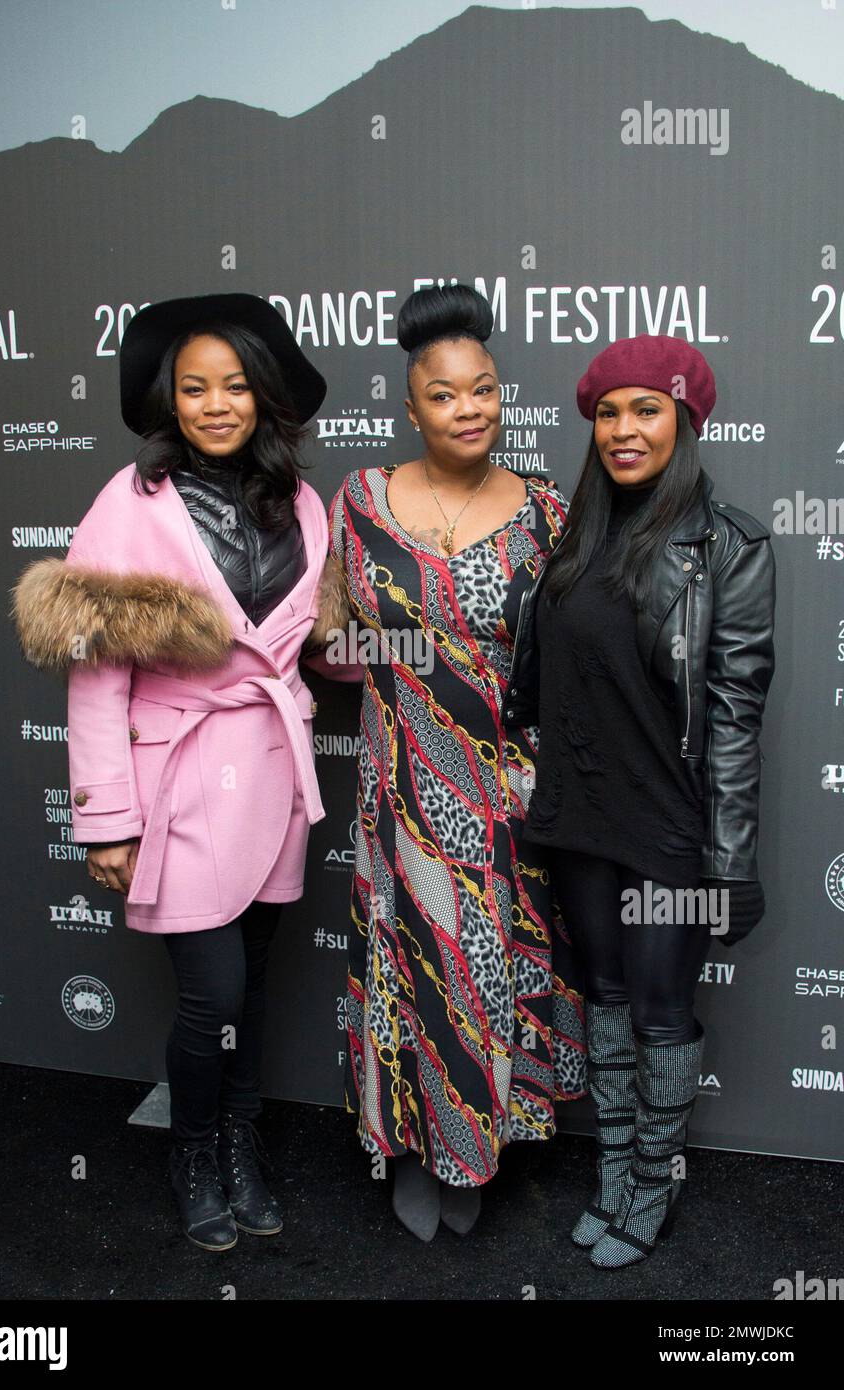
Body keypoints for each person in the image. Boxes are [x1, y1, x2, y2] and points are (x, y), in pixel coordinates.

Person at [12, 294, 350, 1251]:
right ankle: (194, 1147)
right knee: (214, 995)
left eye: (235, 386)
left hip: (275, 780)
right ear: (169, 397)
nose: (215, 403)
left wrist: (420, 632)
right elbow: (94, 671)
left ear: (265, 397)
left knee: (257, 982)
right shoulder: (132, 501)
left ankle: (241, 1143)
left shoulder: (303, 502)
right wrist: (106, 819)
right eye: (195, 386)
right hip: (179, 786)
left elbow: (315, 648)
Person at [319, 284, 586, 1242]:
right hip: (397, 791)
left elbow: (569, 660)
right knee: (405, 965)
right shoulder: (360, 503)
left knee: (480, 967)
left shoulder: (549, 512)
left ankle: (472, 1153)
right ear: (411, 405)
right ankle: (405, 1143)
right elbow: (329, 645)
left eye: (484, 390)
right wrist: (402, 655)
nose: (468, 408)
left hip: (503, 793)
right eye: (444, 394)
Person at [502, 334, 776, 1268]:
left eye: (646, 410)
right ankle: (614, 1172)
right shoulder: (571, 534)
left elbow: (736, 716)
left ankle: (653, 1188)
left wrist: (730, 860)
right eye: (609, 413)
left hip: (670, 826)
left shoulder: (728, 546)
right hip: (580, 815)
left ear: (684, 421)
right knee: (606, 993)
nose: (624, 429)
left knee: (662, 1008)